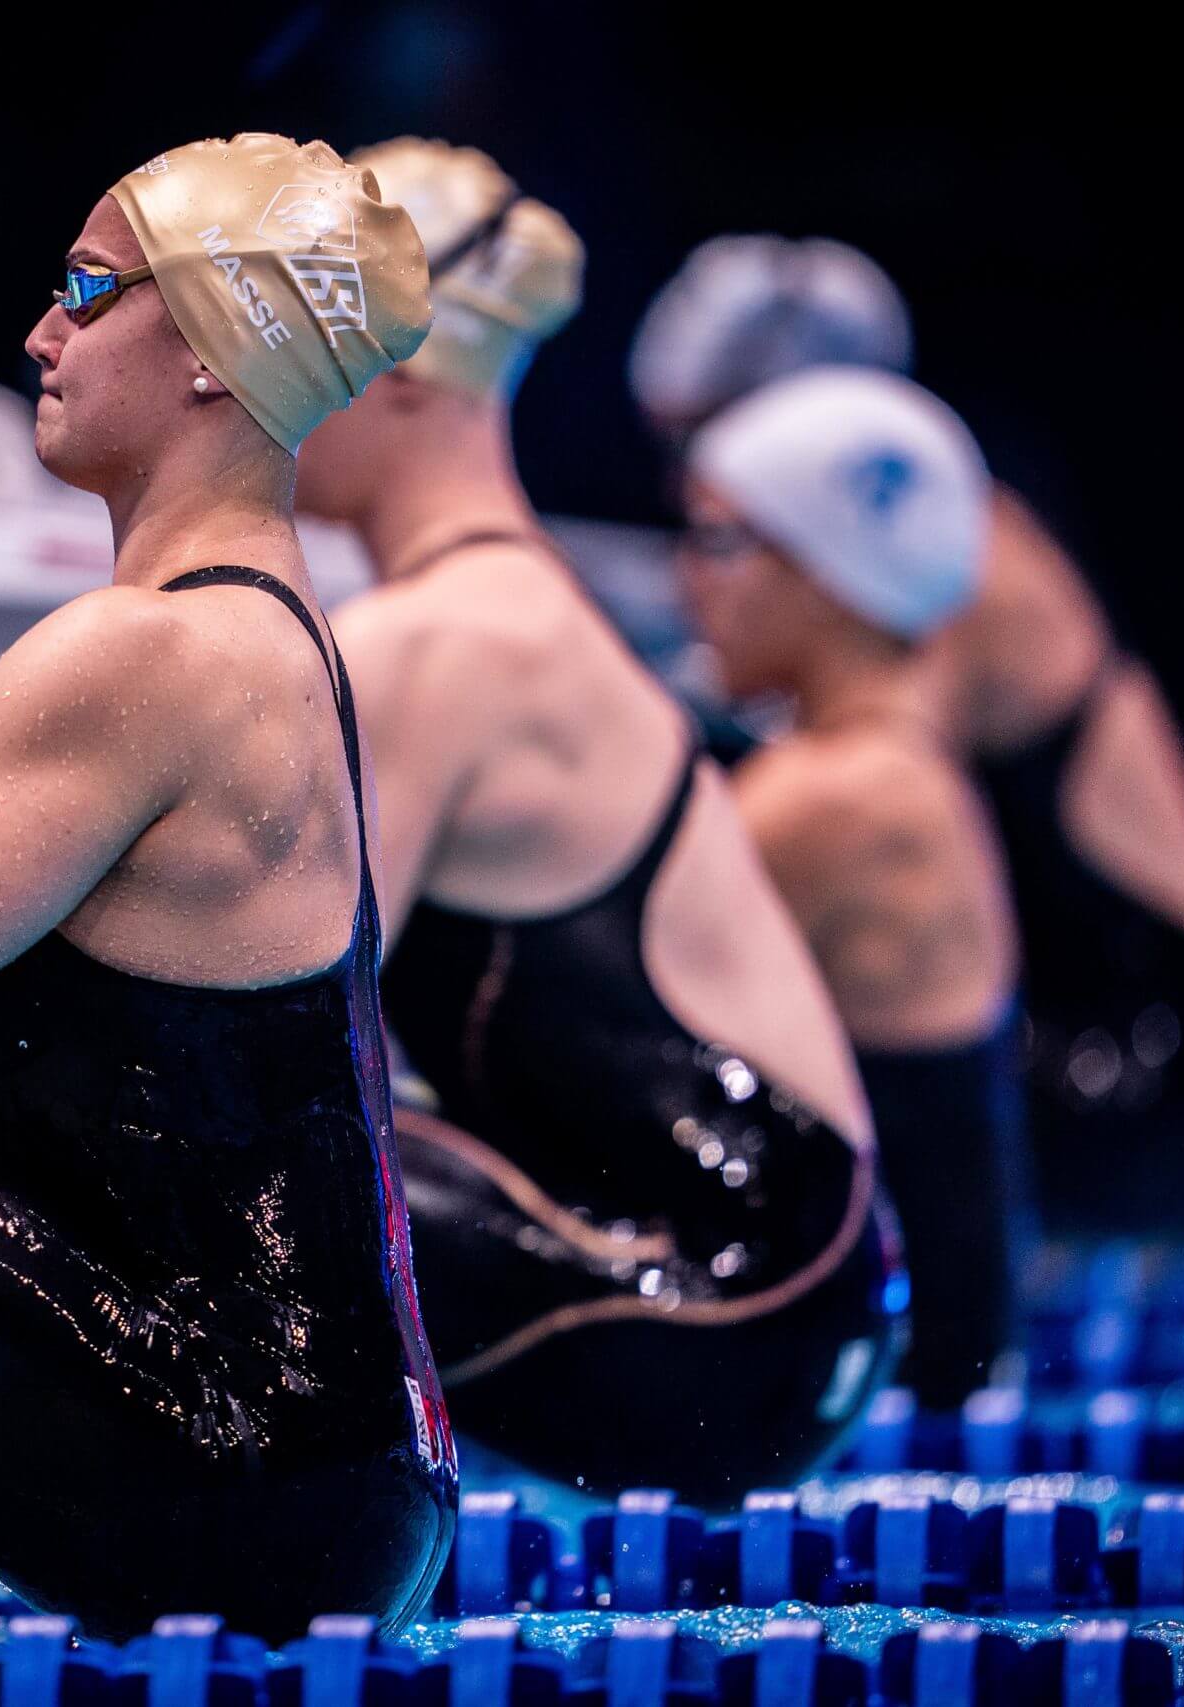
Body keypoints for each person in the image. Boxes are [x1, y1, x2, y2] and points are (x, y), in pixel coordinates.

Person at [0, 134, 454, 1642]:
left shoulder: (146, 654)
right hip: (338, 1485)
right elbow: (90, 1077)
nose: (41, 330)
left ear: (222, 348)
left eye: (89, 289)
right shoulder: (268, 630)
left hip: (221, 1469)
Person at [293, 140, 899, 1501]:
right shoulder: (507, 608)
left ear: (395, 364)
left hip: (718, 1303)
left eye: (292, 328)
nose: (259, 380)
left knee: (228, 1175)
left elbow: (260, 1016)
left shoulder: (444, 641)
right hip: (793, 1293)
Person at [634, 235, 1184, 1229]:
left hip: (1128, 1071)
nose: (686, 500)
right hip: (1080, 1036)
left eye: (701, 454)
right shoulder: (907, 554)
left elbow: (789, 754)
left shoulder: (963, 565)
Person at [676, 366, 1025, 1406]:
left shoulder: (839, 797)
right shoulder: (906, 769)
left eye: (719, 540)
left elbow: (579, 1003)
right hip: (943, 1334)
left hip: (893, 1376)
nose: (688, 581)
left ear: (825, 569)